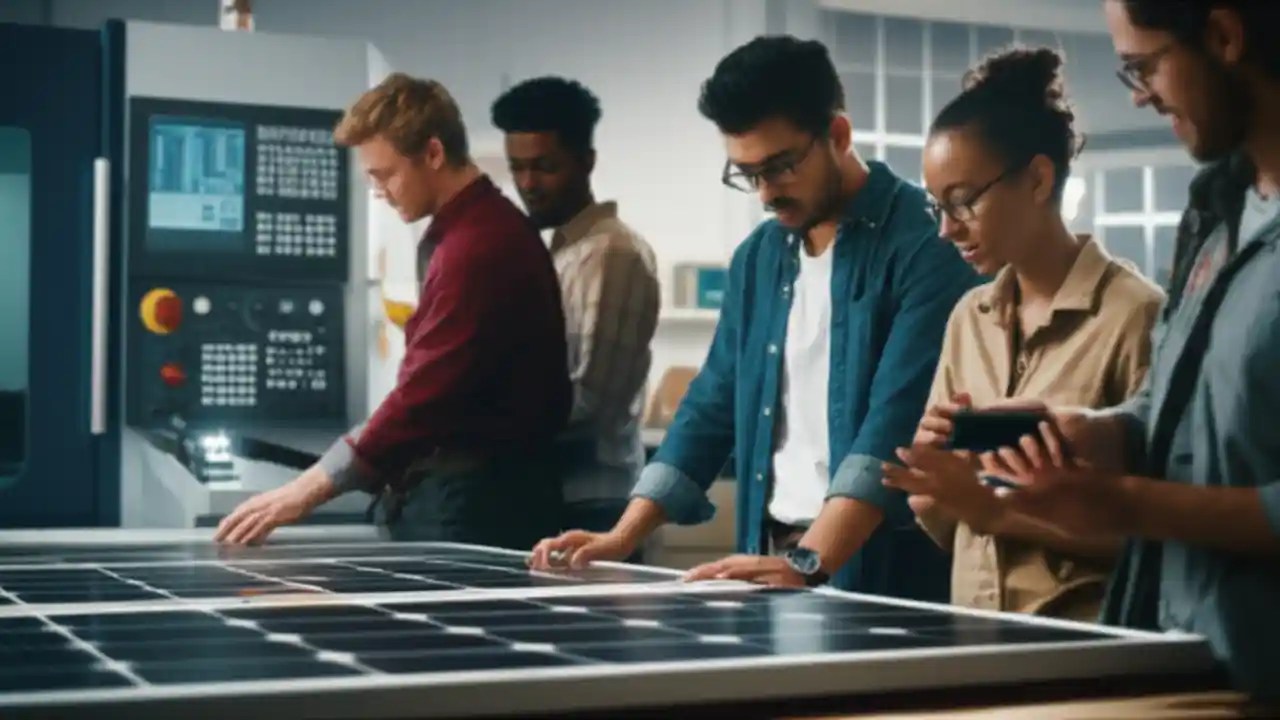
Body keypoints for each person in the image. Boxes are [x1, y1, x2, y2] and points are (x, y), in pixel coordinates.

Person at [531, 35, 981, 600]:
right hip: (773, 552)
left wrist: (810, 561)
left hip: (882, 568)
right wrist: (622, 535)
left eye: (781, 167)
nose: (766, 194)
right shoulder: (759, 258)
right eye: (747, 174)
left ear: (838, 135)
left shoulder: (927, 243)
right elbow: (711, 403)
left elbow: (894, 426)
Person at [958, 0, 1280, 702]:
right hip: (1180, 657)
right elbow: (1177, 408)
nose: (1139, 95)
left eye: (1144, 66)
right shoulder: (1217, 208)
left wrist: (1123, 503)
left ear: (1224, 36)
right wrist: (1092, 432)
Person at [215, 73, 572, 549]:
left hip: (478, 507)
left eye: (385, 174)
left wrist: (308, 488)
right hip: (474, 496)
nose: (378, 190)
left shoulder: (477, 247)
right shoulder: (473, 231)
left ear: (433, 153)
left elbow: (424, 397)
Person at [880, 47, 1164, 622]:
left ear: (1037, 179)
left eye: (962, 202)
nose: (946, 229)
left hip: (1088, 650)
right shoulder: (969, 317)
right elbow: (943, 519)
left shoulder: (1138, 315)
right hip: (975, 634)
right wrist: (932, 478)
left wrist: (1001, 512)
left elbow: (1162, 541)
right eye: (937, 207)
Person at [490, 77, 660, 548]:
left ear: (586, 161)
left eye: (545, 167)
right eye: (517, 168)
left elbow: (589, 402)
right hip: (567, 499)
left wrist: (480, 428)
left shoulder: (608, 253)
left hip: (594, 504)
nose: (528, 185)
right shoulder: (566, 251)